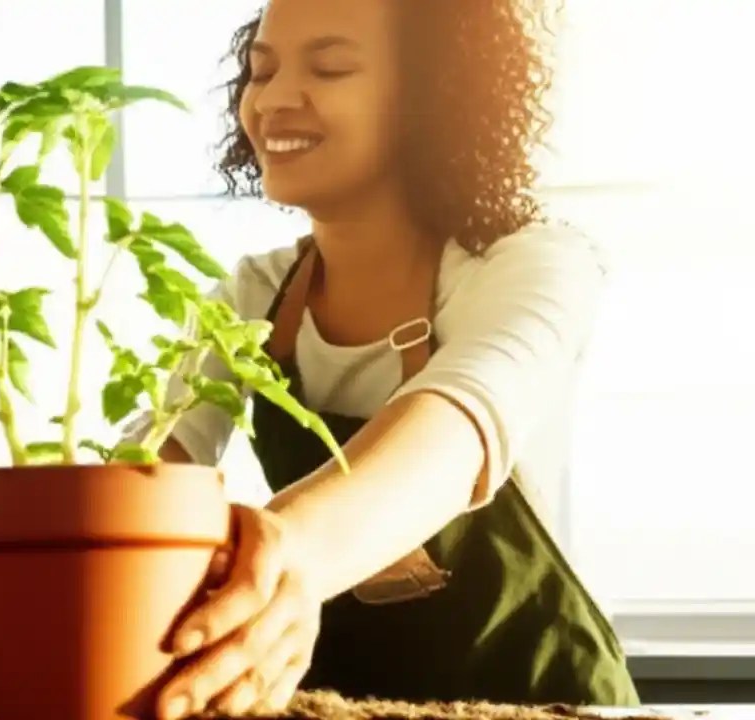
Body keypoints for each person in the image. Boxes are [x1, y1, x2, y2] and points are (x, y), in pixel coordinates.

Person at [123, 0, 643, 717]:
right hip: (346, 701)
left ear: (432, 96)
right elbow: (153, 466)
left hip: (544, 699)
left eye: (330, 67)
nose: (272, 100)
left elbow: (456, 429)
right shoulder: (253, 295)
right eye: (260, 71)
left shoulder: (533, 264)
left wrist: (286, 555)